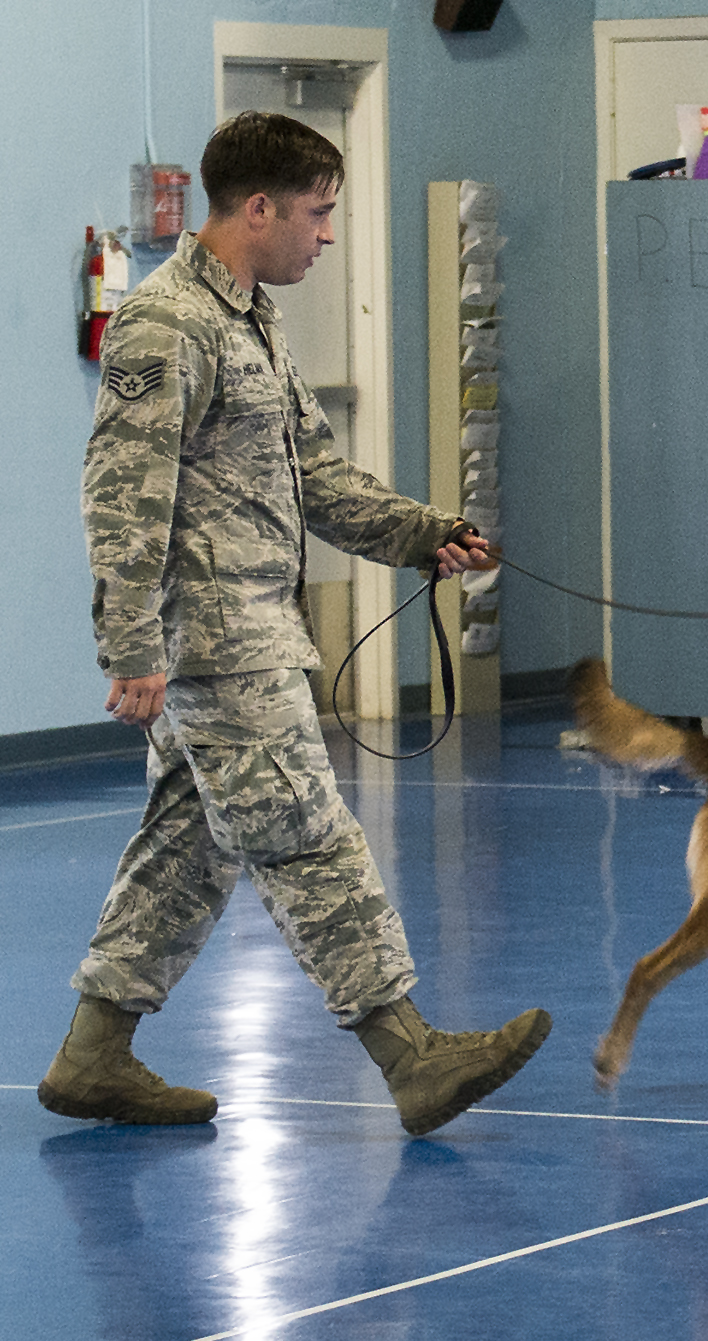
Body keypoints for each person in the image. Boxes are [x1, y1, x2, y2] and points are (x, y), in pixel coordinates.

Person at [43, 111, 551, 1138]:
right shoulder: (167, 323)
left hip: (247, 629)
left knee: (188, 849)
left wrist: (424, 533)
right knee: (306, 834)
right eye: (317, 213)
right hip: (218, 644)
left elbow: (316, 476)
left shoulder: (250, 320)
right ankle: (411, 1057)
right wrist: (130, 646)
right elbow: (122, 497)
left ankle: (93, 1056)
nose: (326, 234)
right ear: (258, 208)